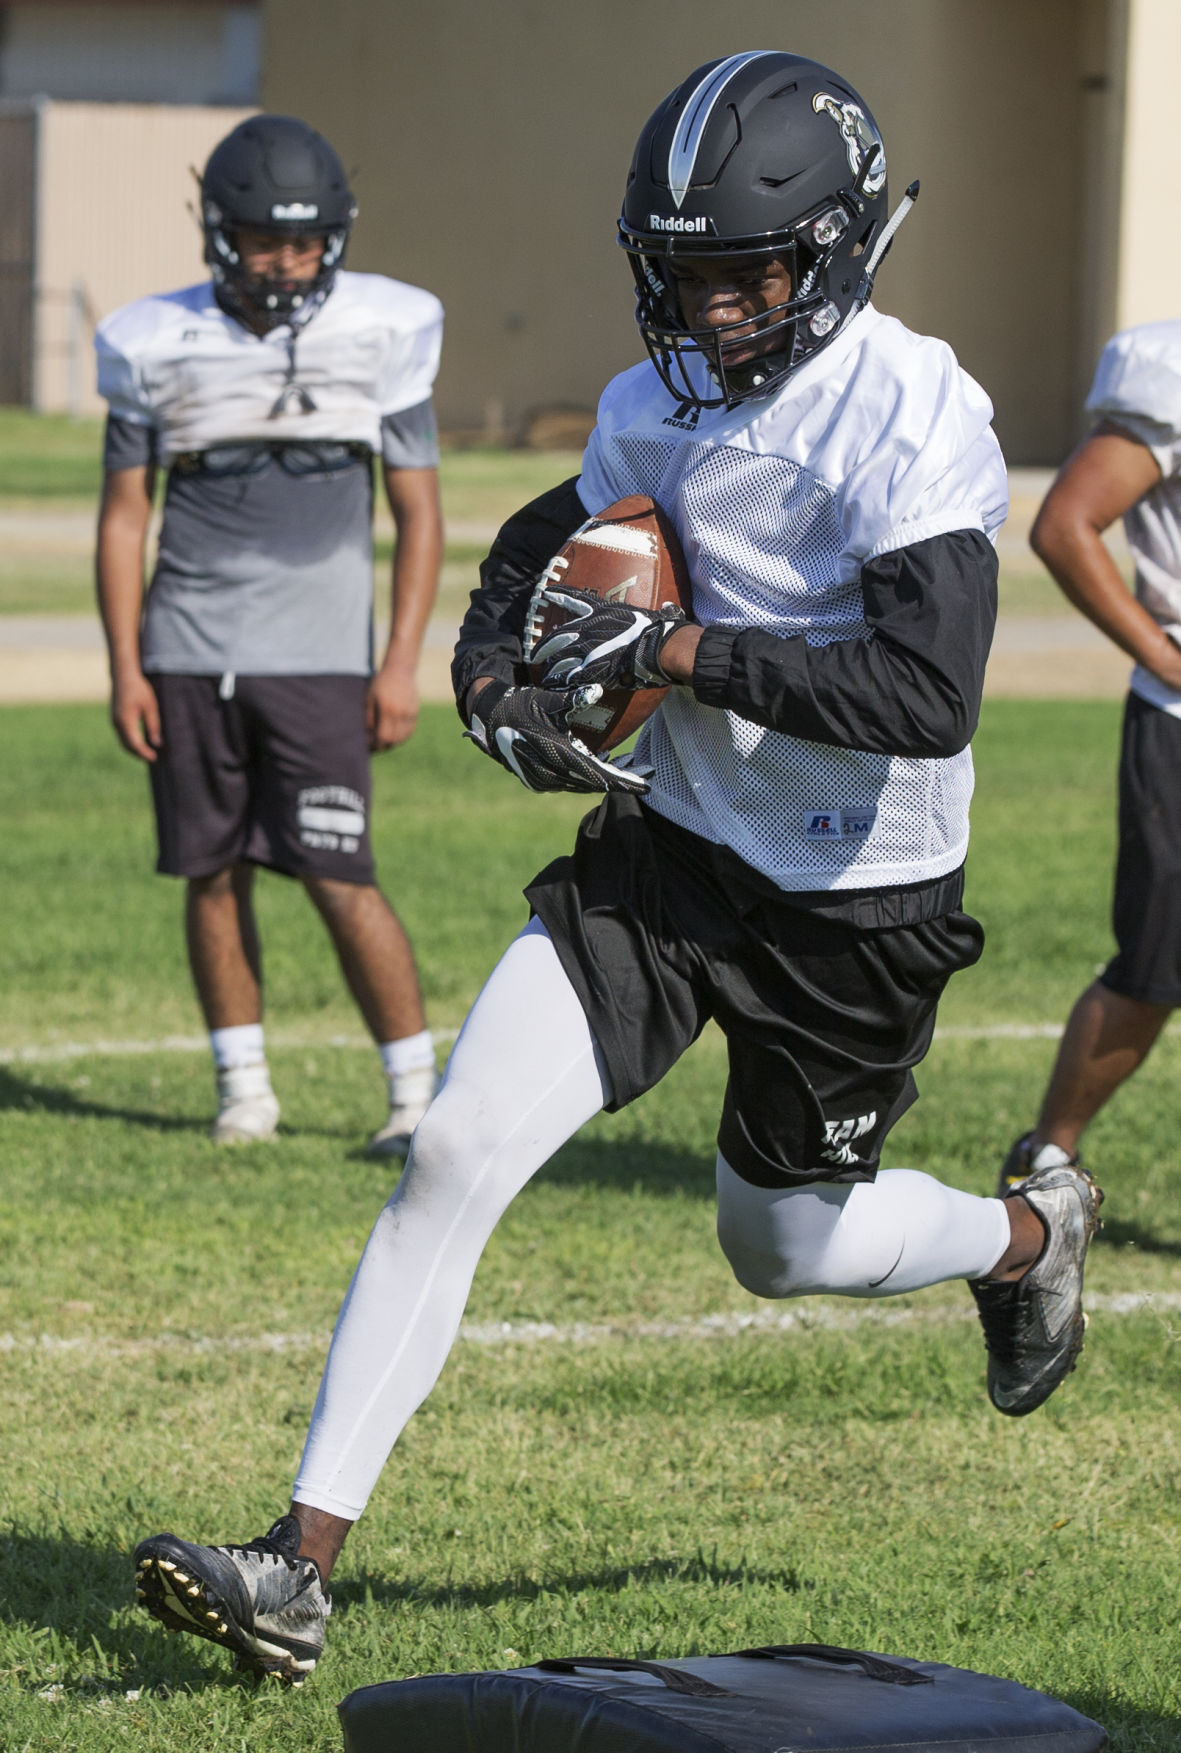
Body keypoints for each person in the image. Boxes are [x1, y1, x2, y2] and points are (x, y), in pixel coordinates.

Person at [132, 53, 1102, 1684]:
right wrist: (495, 679)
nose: (713, 313)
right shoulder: (660, 404)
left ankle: (1021, 1240)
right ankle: (294, 1569)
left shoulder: (913, 407)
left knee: (783, 1244)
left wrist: (689, 648)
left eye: (748, 276)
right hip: (671, 857)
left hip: (855, 907)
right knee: (450, 1151)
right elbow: (536, 546)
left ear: (841, 252)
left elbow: (925, 699)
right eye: (684, 275)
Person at [94, 114, 444, 1154]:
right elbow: (124, 517)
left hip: (322, 657)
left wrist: (398, 664)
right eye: (261, 241)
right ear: (219, 234)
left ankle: (414, 1097)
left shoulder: (385, 329)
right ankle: (243, 1088)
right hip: (189, 648)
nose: (283, 263)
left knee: (341, 873)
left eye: (301, 242)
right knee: (210, 870)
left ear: (332, 237)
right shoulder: (150, 341)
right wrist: (126, 668)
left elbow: (418, 514)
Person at [997, 319, 1181, 1193]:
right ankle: (1048, 1159)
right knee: (1154, 966)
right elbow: (1066, 524)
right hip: (1179, 725)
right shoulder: (1169, 368)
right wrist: (1163, 654)